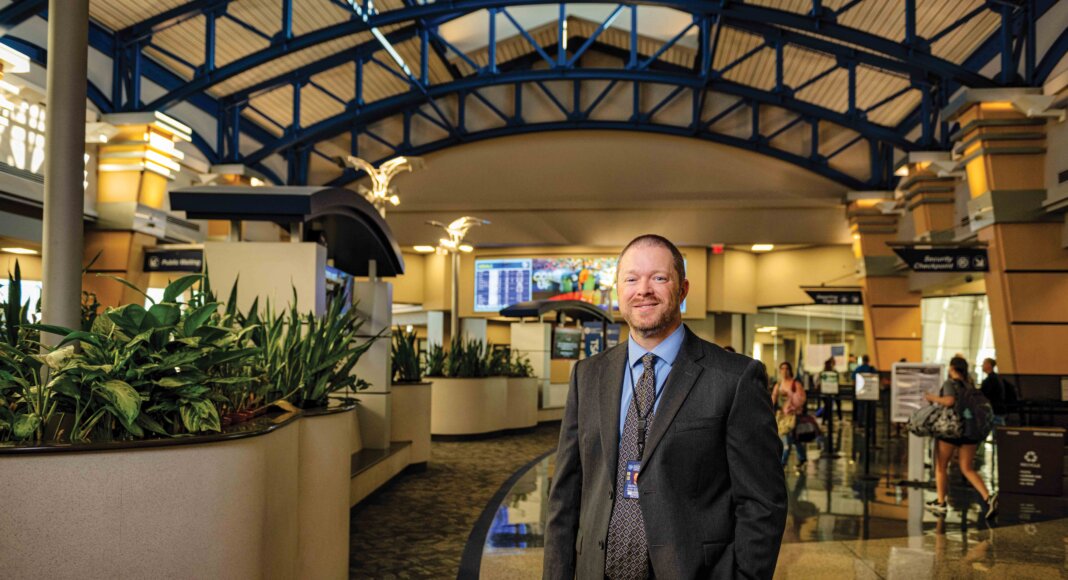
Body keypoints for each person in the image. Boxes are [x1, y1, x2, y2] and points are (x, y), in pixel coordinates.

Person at [543, 235, 786, 579]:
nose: (643, 290)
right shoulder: (588, 375)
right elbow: (566, 495)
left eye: (659, 277)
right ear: (618, 291)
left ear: (683, 288)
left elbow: (763, 502)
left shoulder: (735, 379)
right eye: (631, 279)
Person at [923, 356, 999, 519]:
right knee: (967, 468)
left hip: (952, 430)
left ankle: (941, 502)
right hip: (970, 431)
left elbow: (949, 401)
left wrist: (932, 398)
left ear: (952, 369)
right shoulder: (970, 385)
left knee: (941, 466)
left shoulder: (950, 383)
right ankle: (988, 497)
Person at [771, 361, 808, 471]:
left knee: (787, 439)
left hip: (793, 416)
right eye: (782, 368)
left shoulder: (795, 384)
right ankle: (802, 458)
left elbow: (802, 399)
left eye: (787, 368)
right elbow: (773, 399)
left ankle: (782, 463)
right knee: (793, 438)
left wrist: (794, 407)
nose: (784, 371)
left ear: (790, 370)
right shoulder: (778, 385)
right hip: (782, 416)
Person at [979, 358, 1014, 427]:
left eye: (983, 363)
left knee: (997, 431)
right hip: (1000, 408)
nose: (982, 366)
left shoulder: (989, 381)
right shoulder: (998, 378)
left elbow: (985, 395)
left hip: (994, 410)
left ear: (989, 365)